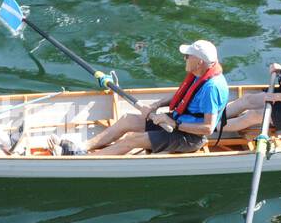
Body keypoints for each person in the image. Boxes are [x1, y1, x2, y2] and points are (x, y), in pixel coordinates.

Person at [51, 41, 229, 156]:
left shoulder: (211, 88)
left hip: (189, 137)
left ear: (199, 62)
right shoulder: (200, 73)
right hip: (175, 122)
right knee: (127, 120)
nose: (185, 58)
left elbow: (207, 128)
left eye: (187, 56)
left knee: (133, 139)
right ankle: (82, 146)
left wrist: (174, 124)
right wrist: (157, 105)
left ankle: (85, 159)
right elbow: (182, 95)